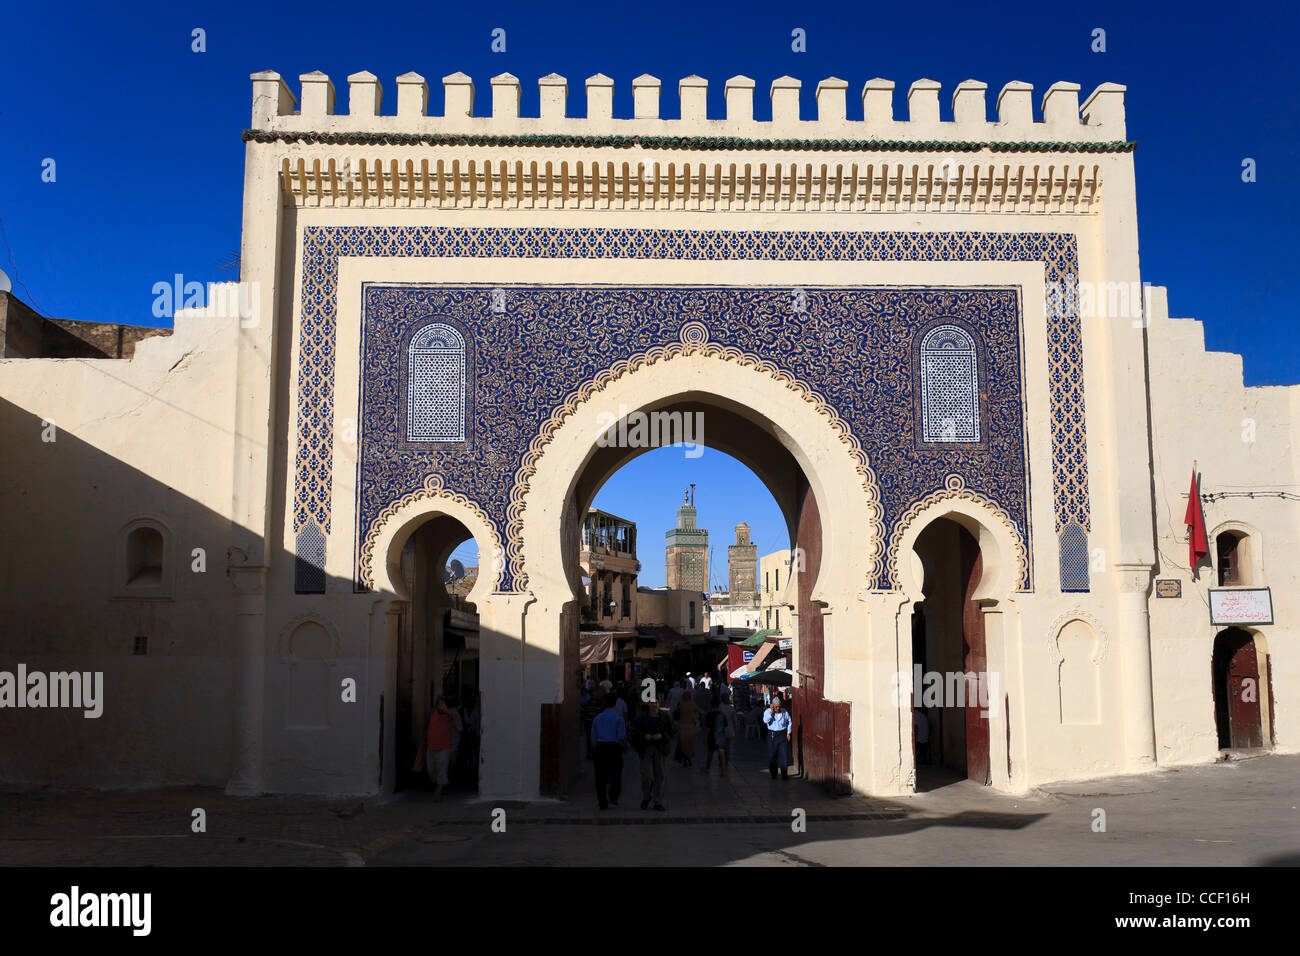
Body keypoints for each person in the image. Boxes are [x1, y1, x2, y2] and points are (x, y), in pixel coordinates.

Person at [632, 697, 673, 810]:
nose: (654, 705)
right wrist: (643, 736)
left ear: (659, 704)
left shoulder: (664, 717)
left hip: (660, 749)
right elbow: (634, 731)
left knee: (659, 775)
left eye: (656, 702)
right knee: (646, 775)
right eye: (651, 703)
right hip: (646, 748)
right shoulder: (642, 718)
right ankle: (646, 797)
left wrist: (662, 735)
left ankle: (657, 801)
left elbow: (672, 731)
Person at [590, 695, 629, 809]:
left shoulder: (597, 718)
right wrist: (625, 746)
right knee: (616, 775)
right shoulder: (618, 718)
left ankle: (602, 802)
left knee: (600, 777)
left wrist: (596, 748)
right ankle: (613, 796)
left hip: (601, 747)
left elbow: (593, 736)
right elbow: (622, 736)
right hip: (614, 748)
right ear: (615, 704)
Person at [425, 696, 462, 801]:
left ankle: (438, 792)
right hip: (431, 747)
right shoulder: (433, 714)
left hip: (445, 747)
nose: (440, 706)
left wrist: (446, 710)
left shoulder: (451, 714)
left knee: (442, 768)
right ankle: (439, 785)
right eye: (439, 704)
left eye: (443, 704)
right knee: (431, 770)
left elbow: (455, 720)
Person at [763, 694, 792, 780]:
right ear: (772, 706)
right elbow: (765, 721)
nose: (777, 709)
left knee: (783, 755)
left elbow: (789, 722)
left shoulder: (784, 712)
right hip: (772, 735)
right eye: (776, 707)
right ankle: (773, 773)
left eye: (779, 707)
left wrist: (788, 733)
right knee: (773, 755)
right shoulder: (768, 711)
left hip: (782, 734)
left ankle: (784, 774)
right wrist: (771, 712)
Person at [702, 698, 729, 775]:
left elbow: (708, 728)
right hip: (721, 736)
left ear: (711, 705)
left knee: (710, 752)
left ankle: (707, 768)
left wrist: (705, 738)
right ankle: (723, 771)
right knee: (722, 752)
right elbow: (725, 726)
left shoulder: (709, 714)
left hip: (712, 736)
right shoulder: (722, 714)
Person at [673, 692, 699, 767]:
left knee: (682, 744)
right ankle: (688, 758)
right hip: (690, 728)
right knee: (689, 745)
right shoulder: (692, 704)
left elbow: (676, 714)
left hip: (681, 727)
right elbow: (698, 713)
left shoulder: (680, 704)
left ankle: (685, 759)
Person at [580, 681, 603, 760]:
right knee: (589, 739)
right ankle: (589, 753)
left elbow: (601, 714)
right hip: (589, 725)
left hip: (597, 725)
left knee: (597, 739)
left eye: (595, 694)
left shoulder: (599, 703)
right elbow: (583, 714)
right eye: (592, 694)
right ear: (590, 695)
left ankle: (596, 753)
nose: (594, 695)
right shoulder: (586, 704)